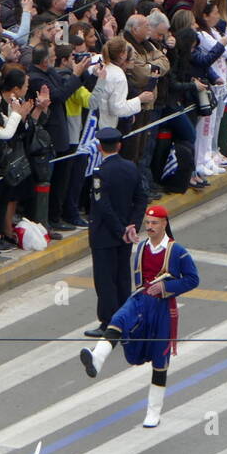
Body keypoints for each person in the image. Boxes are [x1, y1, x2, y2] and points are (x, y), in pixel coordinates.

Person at [78, 204, 200, 428]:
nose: (150, 227)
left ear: (164, 224)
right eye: (148, 223)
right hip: (141, 299)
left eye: (154, 223)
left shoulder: (178, 251)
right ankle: (97, 358)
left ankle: (154, 412)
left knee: (159, 360)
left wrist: (165, 288)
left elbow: (193, 279)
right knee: (118, 319)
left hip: (162, 308)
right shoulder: (142, 247)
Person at [85, 127, 148, 338]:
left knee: (105, 280)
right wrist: (132, 225)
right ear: (119, 146)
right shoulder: (131, 167)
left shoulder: (99, 173)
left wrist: (120, 229)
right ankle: (125, 318)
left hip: (105, 234)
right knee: (122, 277)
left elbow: (102, 206)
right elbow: (141, 198)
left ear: (101, 147)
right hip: (126, 235)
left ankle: (109, 323)